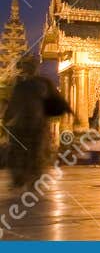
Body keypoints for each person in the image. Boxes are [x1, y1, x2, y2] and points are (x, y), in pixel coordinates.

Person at [3, 55, 70, 188]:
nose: (29, 68)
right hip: (28, 124)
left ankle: (28, 178)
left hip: (33, 124)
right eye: (28, 66)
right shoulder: (33, 84)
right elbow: (13, 105)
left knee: (32, 153)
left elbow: (56, 101)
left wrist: (7, 119)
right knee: (24, 152)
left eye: (30, 65)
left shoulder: (33, 84)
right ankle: (23, 177)